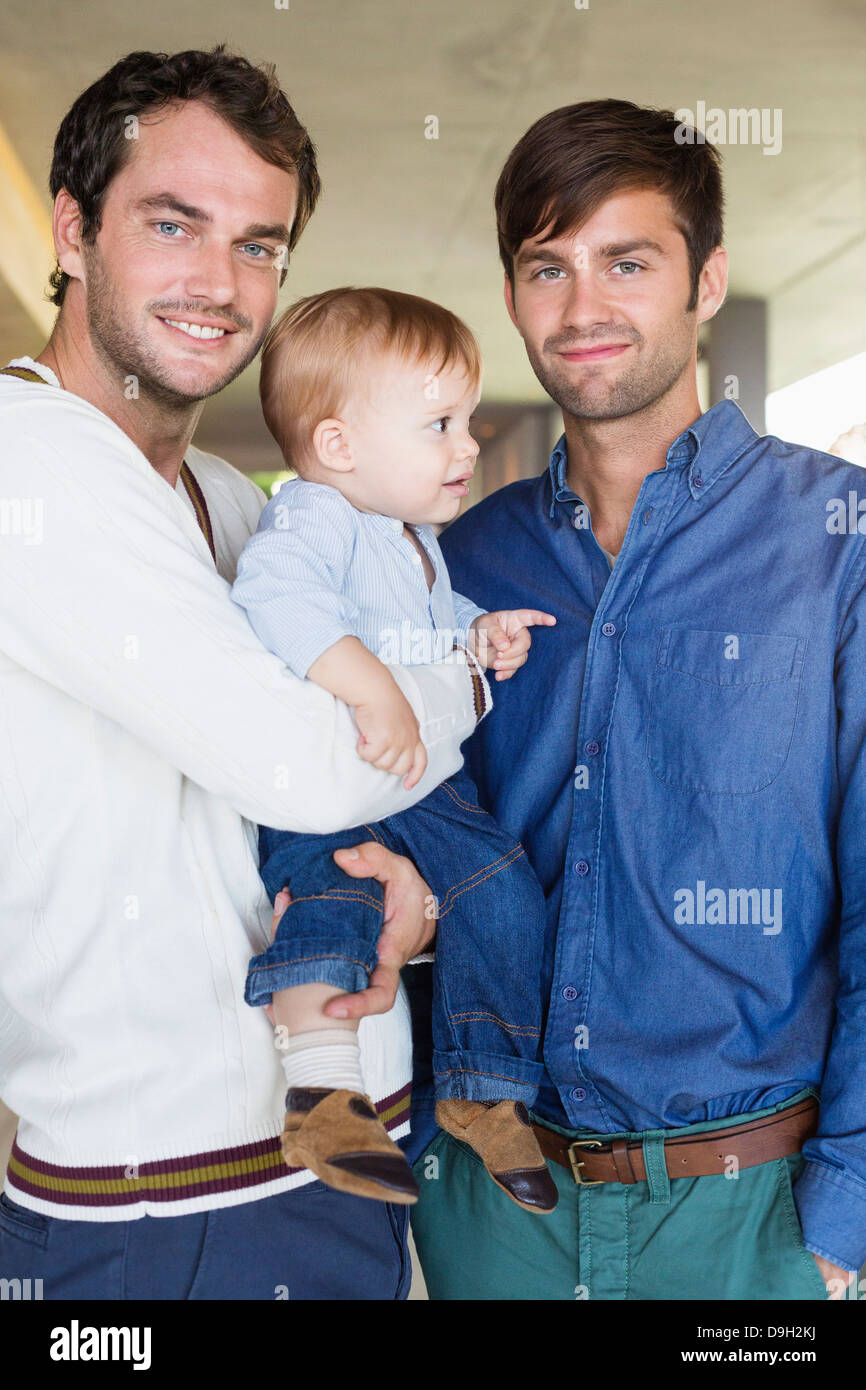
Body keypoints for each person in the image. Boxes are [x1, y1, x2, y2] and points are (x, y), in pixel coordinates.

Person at [0, 47, 489, 1301]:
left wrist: (410, 889)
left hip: (336, 1156)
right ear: (70, 228)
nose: (220, 283)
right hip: (170, 1206)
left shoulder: (228, 496)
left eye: (260, 244)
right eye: (173, 224)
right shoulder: (31, 468)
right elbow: (314, 763)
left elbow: (292, 810)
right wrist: (469, 685)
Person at [408, 98, 864, 1300]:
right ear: (511, 295)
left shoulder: (836, 542)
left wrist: (840, 1218)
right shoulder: (456, 565)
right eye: (545, 267)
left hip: (749, 1221)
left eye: (627, 261)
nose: (582, 307)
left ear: (704, 281)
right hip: (495, 1216)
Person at [231, 286, 559, 1214]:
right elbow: (278, 603)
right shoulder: (314, 515)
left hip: (423, 790)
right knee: (329, 901)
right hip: (337, 785)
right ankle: (324, 1096)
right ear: (339, 447)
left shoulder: (413, 537)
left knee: (500, 887)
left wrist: (478, 634)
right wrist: (377, 690)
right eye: (440, 425)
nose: (468, 445)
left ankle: (487, 1090)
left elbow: (424, 624)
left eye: (468, 420)